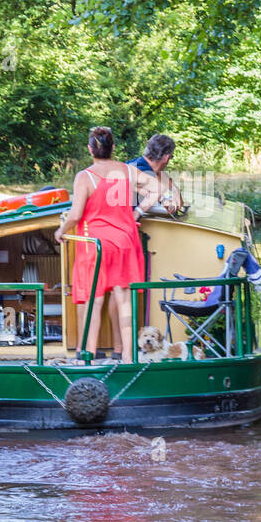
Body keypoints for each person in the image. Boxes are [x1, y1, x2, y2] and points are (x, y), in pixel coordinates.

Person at [53, 127, 144, 362]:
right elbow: (157, 188)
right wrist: (139, 212)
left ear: (90, 149)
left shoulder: (85, 176)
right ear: (113, 148)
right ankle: (128, 356)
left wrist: (60, 232)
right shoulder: (127, 171)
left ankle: (88, 356)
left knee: (94, 299)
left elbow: (75, 215)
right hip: (124, 242)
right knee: (124, 299)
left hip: (94, 244)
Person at [128, 134, 183, 215]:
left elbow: (166, 179)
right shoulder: (144, 171)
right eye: (171, 157)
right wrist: (166, 200)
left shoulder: (136, 163)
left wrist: (176, 191)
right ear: (167, 158)